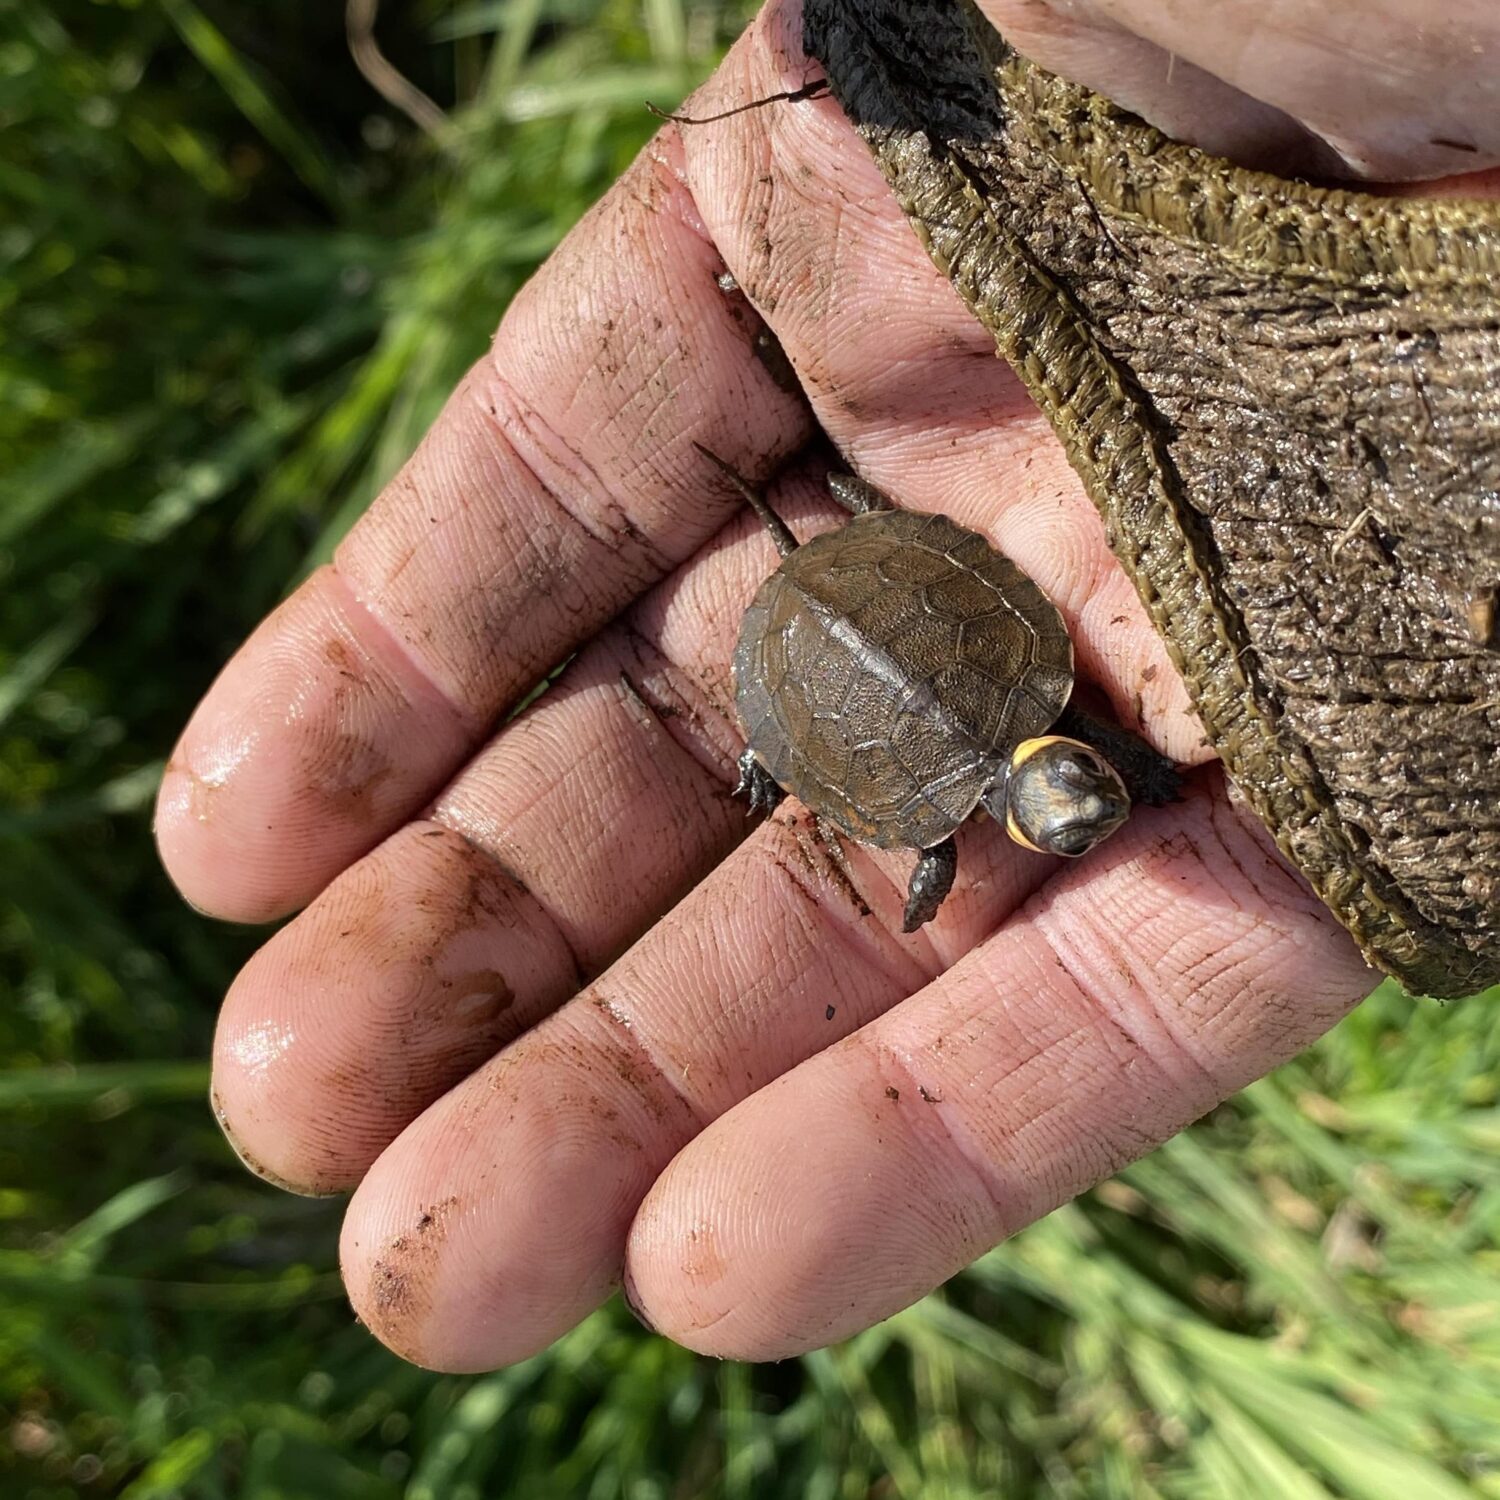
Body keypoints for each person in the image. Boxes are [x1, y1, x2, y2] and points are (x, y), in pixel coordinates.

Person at [153, 0, 1500, 1372]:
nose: (1091, 789)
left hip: (875, 609)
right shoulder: (995, 742)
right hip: (847, 618)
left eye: (1075, 799)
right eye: (1090, 784)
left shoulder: (1020, 704)